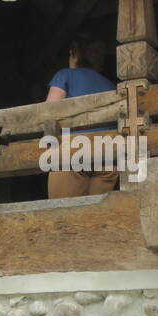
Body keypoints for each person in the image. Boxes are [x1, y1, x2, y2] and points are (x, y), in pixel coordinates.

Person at [42, 35, 118, 199]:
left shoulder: (65, 75)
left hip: (73, 153)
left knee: (65, 217)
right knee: (95, 219)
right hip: (108, 158)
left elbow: (48, 112)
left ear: (74, 53)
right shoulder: (111, 86)